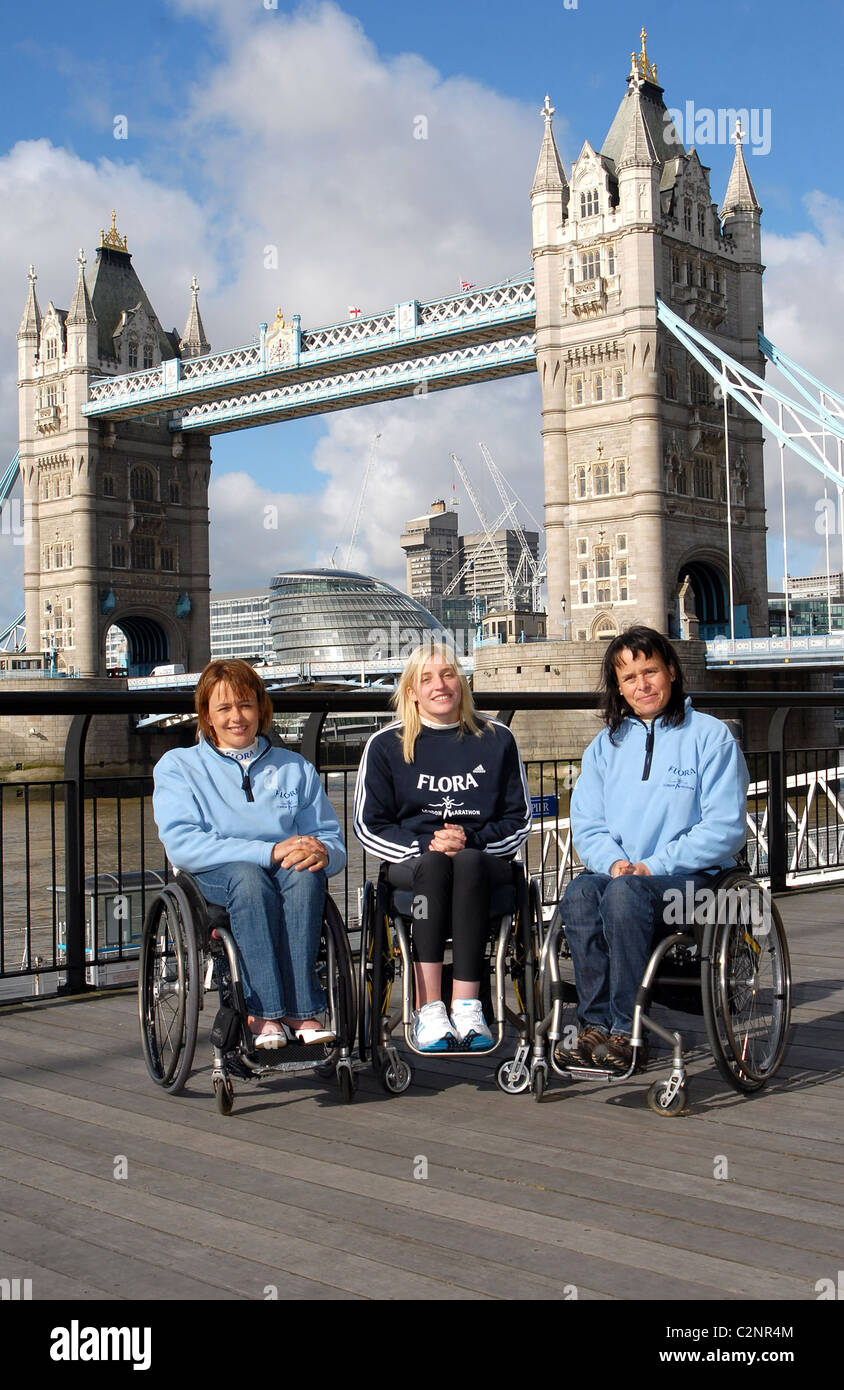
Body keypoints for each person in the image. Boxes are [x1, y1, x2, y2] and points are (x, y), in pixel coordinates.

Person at [560, 626, 748, 1074]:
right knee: (580, 894)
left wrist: (653, 865)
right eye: (629, 678)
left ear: (672, 672)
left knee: (623, 895)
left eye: (651, 672)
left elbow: (724, 827)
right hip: (623, 873)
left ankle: (629, 1031)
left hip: (693, 881)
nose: (641, 685)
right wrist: (614, 862)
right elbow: (588, 824)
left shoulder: (711, 736)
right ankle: (594, 1026)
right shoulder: (604, 746)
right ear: (618, 688)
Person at [153, 659, 346, 1050]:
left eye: (245, 705)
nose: (236, 717)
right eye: (223, 708)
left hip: (284, 871)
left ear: (261, 708)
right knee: (248, 877)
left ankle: (302, 1011)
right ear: (206, 715)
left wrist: (325, 853)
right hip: (217, 873)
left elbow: (329, 836)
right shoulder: (178, 767)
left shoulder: (295, 768)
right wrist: (269, 851)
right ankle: (262, 1012)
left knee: (305, 873)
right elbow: (184, 843)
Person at [354, 643, 532, 1051]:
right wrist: (424, 843)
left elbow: (517, 818)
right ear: (412, 691)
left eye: (449, 675)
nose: (441, 685)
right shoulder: (385, 745)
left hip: (482, 861)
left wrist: (473, 840)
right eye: (427, 678)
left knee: (467, 862)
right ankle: (430, 1007)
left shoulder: (496, 739)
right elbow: (369, 825)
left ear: (462, 683)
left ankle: (467, 1004)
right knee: (434, 867)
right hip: (416, 868)